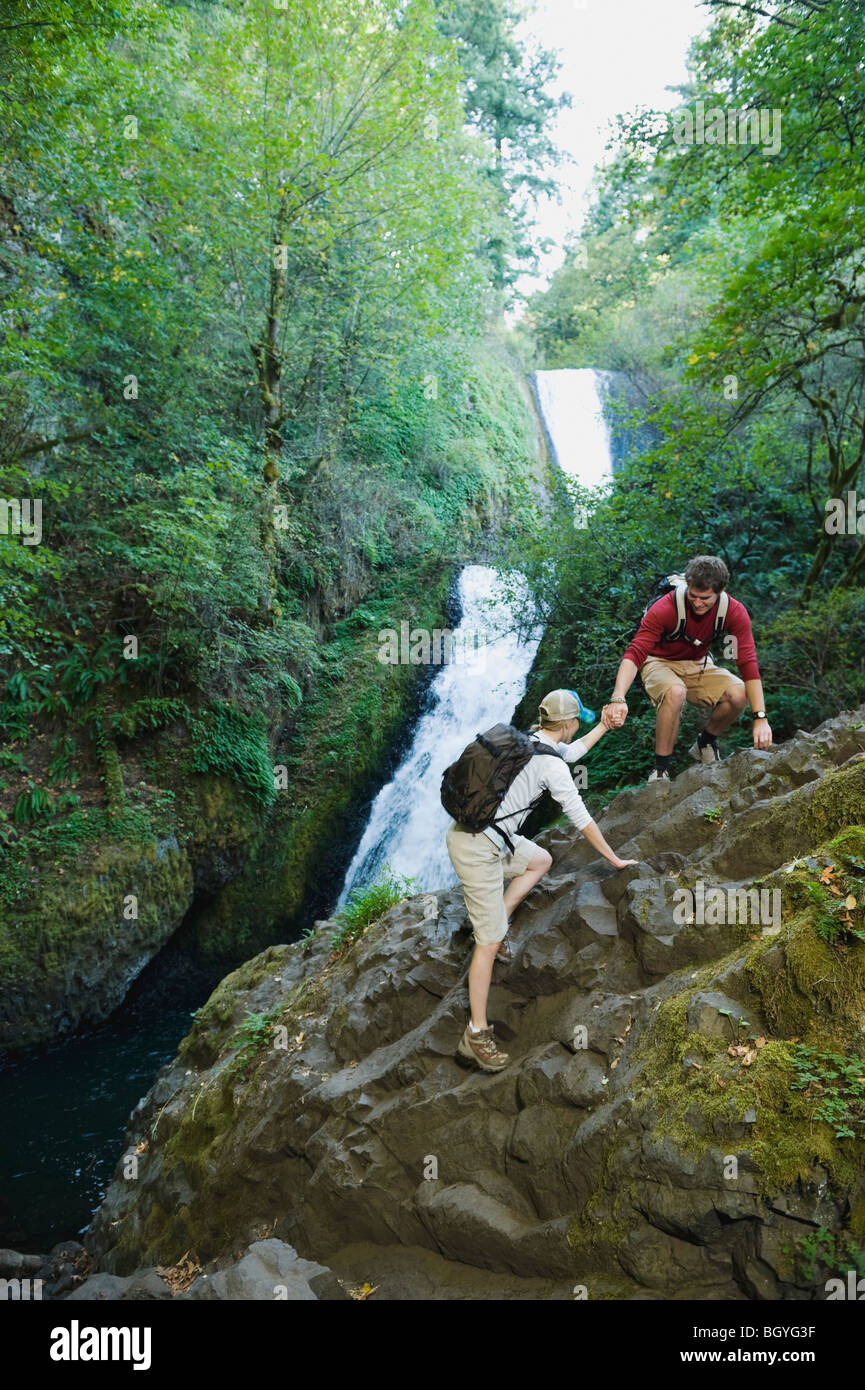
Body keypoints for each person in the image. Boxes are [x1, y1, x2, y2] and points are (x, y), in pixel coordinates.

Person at [445, 689, 638, 1073]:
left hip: (480, 836)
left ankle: (497, 918)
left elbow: (575, 752)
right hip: (478, 849)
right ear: (566, 725)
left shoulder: (531, 741)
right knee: (486, 945)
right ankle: (475, 1036)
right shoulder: (551, 766)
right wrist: (614, 859)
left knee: (541, 860)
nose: (576, 728)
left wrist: (603, 726)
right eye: (577, 722)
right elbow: (581, 820)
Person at [601, 554, 772, 783]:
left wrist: (760, 717)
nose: (698, 602)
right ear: (687, 585)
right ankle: (660, 769)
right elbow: (635, 652)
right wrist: (618, 698)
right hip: (657, 661)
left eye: (705, 598)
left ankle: (706, 741)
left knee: (739, 693)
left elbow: (747, 661)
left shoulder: (734, 611)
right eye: (693, 595)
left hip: (697, 662)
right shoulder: (666, 607)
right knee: (675, 691)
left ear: (720, 591)